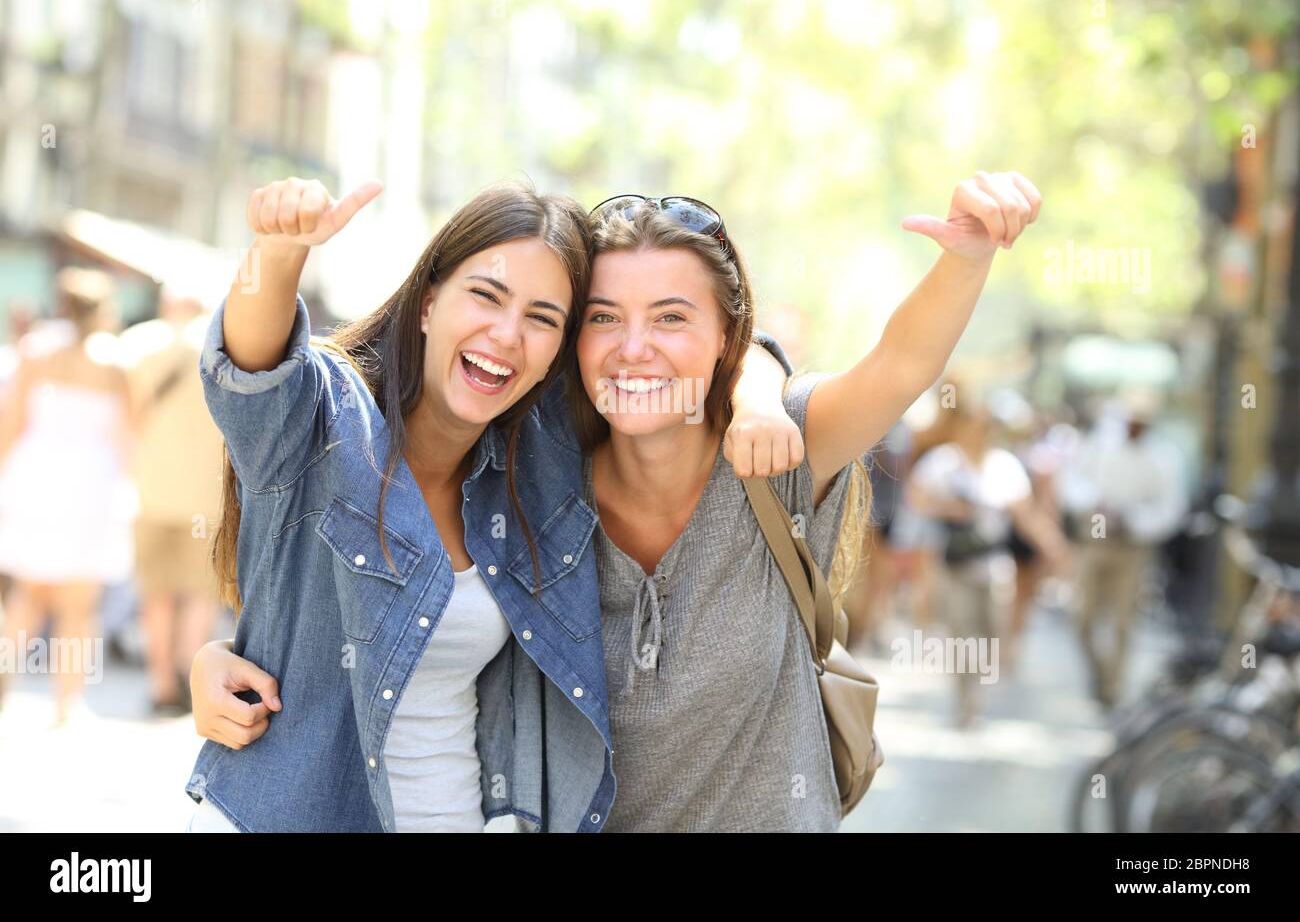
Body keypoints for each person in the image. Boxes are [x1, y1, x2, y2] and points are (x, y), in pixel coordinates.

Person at [196, 170, 1049, 829]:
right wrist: (223, 653)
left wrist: (963, 256)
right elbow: (266, 389)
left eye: (672, 318)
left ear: (726, 338)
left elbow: (898, 366)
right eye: (603, 318)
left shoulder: (771, 452)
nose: (635, 348)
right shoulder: (536, 479)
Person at [182, 177, 795, 833]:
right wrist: (280, 251)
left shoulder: (535, 464)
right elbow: (251, 369)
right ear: (427, 302)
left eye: (542, 319)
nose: (506, 335)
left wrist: (760, 403)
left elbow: (726, 344)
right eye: (486, 296)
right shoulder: (327, 422)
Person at [0, 269, 136, 726]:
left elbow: (10, 423)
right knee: (80, 604)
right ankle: (66, 704)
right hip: (90, 487)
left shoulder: (35, 353)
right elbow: (129, 435)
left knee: (26, 596)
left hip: (37, 479)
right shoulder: (116, 363)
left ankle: (5, 690)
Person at [907, 395, 1069, 727]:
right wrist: (952, 507)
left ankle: (978, 687)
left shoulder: (1004, 466)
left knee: (992, 632)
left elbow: (1025, 513)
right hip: (955, 564)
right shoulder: (943, 462)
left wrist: (1052, 544)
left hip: (994, 565)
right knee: (962, 631)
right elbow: (917, 499)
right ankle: (967, 700)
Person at [119, 282, 227, 716]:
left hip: (152, 493)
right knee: (199, 594)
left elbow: (126, 419)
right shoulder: (221, 348)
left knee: (156, 594)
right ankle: (190, 678)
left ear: (165, 303)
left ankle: (160, 684)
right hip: (208, 497)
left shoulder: (138, 345)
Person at [1057, 392, 1187, 708]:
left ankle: (1113, 688)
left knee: (1124, 622)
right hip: (1095, 543)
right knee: (1083, 618)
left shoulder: (1164, 457)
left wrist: (1131, 519)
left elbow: (1170, 509)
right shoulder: (1102, 444)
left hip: (1133, 549)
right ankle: (1100, 675)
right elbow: (1073, 482)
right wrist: (1096, 504)